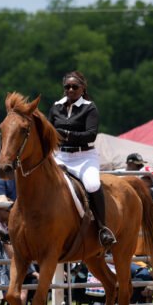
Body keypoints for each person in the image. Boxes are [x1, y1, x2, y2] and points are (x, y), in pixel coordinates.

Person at [47, 70, 116, 248]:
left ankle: (102, 228)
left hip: (84, 156)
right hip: (60, 155)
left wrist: (66, 134)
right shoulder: (56, 107)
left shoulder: (89, 107)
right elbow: (48, 132)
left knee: (92, 185)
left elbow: (90, 135)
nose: (70, 90)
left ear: (83, 89)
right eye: (67, 87)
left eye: (74, 87)